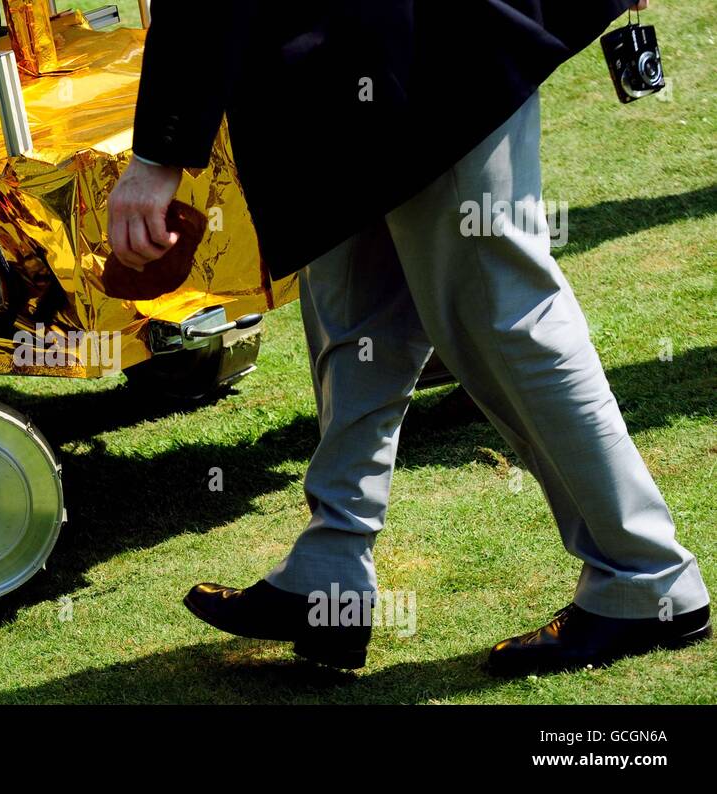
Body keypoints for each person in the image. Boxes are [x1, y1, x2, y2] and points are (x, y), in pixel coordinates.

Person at [108, 0, 709, 674]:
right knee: (357, 310)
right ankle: (329, 570)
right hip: (349, 54)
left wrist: (158, 154)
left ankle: (646, 576)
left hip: (430, 43)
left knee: (504, 314)